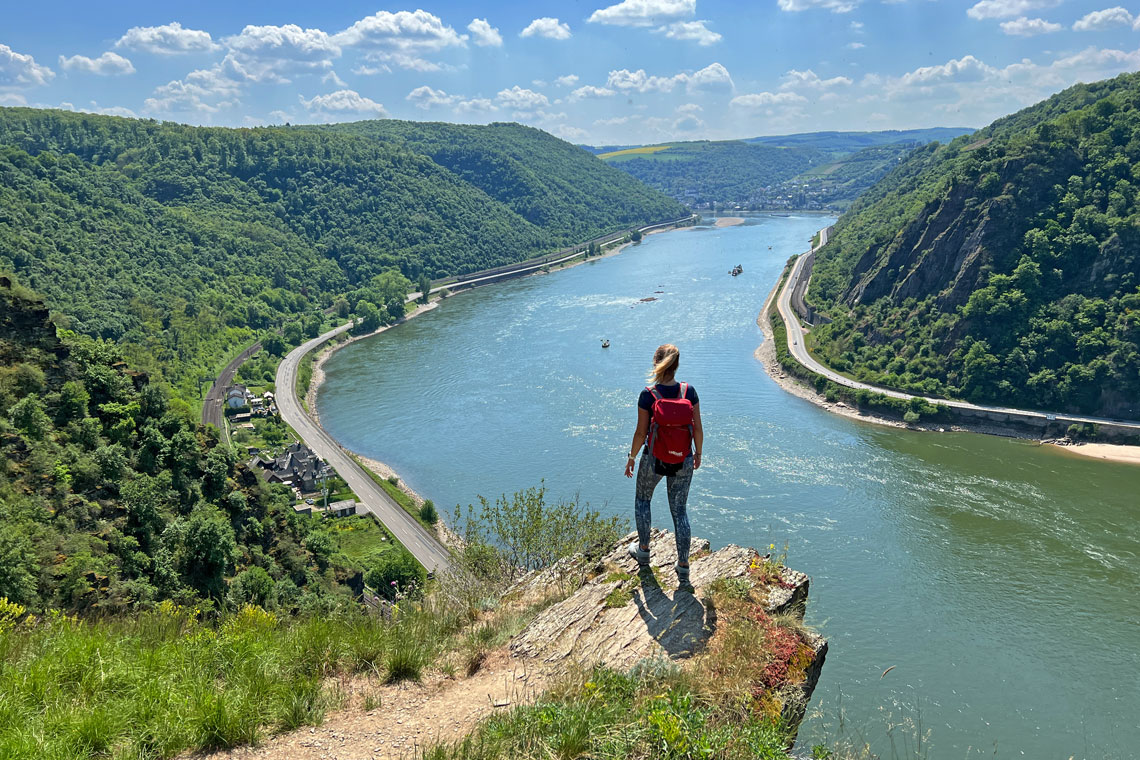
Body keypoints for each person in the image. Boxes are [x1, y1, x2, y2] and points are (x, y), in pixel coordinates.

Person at [624, 343, 703, 585]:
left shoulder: (648, 395)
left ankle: (643, 551)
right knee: (680, 511)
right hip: (683, 458)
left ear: (655, 362)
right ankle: (683, 566)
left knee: (643, 499)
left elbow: (641, 433)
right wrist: (698, 453)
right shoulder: (689, 392)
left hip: (654, 458)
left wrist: (631, 457)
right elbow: (698, 429)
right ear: (676, 365)